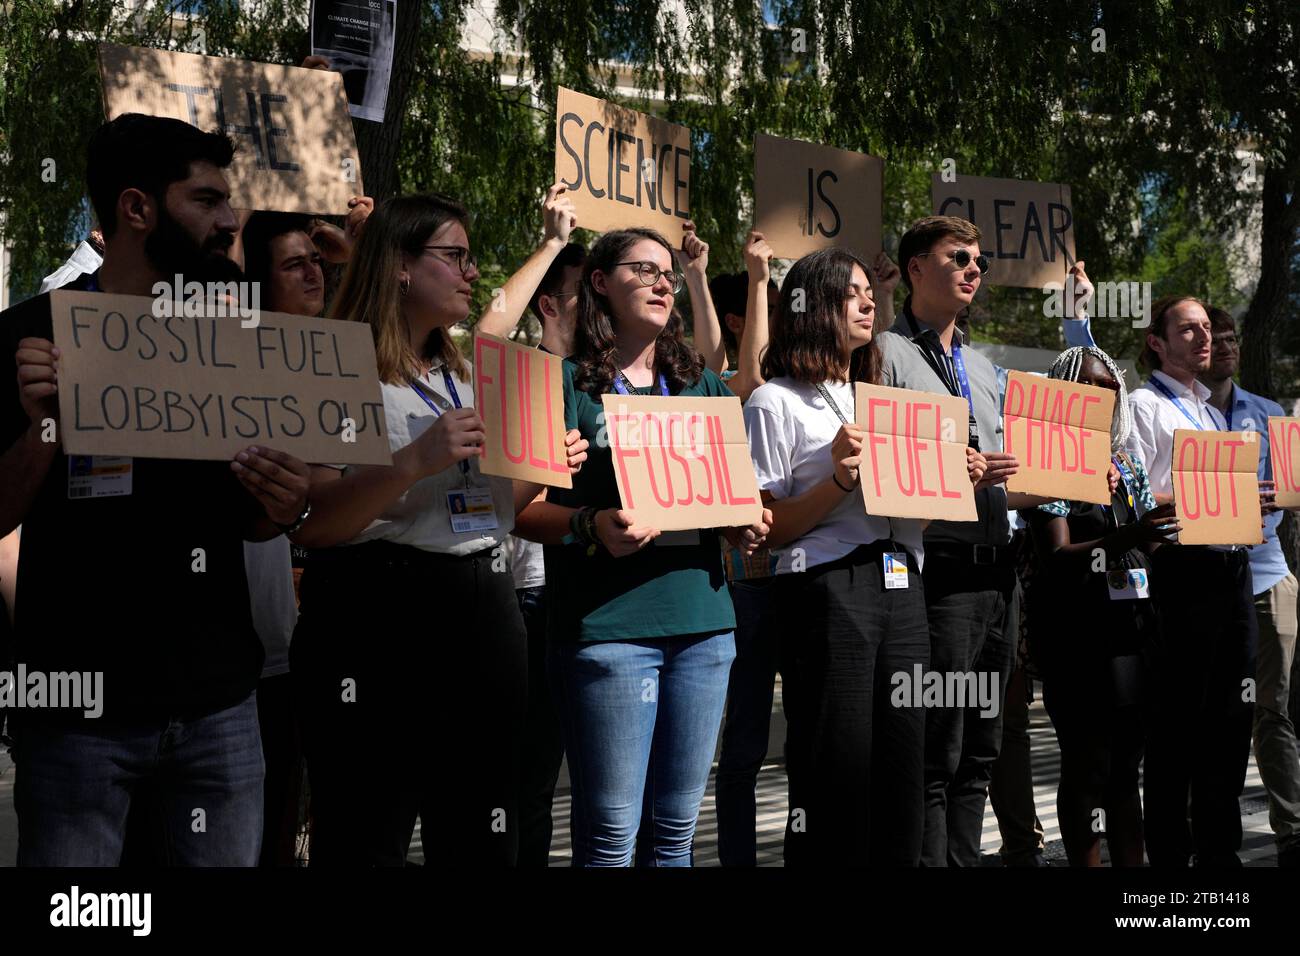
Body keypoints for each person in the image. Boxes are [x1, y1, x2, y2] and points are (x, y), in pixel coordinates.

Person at [1, 113, 313, 866]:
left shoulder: (233, 332)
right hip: (78, 716)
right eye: (206, 201)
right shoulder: (27, 334)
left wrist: (283, 505)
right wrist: (44, 427)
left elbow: (252, 519)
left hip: (219, 709)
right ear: (137, 208)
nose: (230, 220)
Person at [285, 193, 586, 867]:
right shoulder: (338, 364)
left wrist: (543, 471)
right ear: (398, 266)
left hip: (482, 607)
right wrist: (413, 460)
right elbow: (317, 519)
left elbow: (498, 510)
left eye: (471, 260)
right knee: (366, 830)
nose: (471, 273)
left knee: (481, 831)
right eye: (454, 258)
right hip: (373, 616)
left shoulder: (470, 373)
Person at [514, 227, 771, 867]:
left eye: (669, 274)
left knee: (676, 840)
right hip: (609, 632)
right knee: (610, 844)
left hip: (705, 628)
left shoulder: (701, 385)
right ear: (600, 282)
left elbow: (731, 497)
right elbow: (521, 512)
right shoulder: (564, 383)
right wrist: (588, 523)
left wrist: (744, 522)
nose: (663, 283)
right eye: (644, 270)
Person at [745, 247, 986, 865]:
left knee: (905, 769)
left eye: (868, 293)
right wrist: (836, 479)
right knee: (836, 770)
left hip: (902, 586)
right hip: (828, 589)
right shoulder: (775, 401)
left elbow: (911, 517)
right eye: (852, 293)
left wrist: (955, 480)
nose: (868, 301)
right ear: (813, 302)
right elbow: (766, 532)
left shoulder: (878, 397)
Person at [874, 215, 1035, 866]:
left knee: (982, 750)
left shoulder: (985, 367)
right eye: (959, 257)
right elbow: (883, 474)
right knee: (936, 750)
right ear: (916, 269)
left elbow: (1006, 485)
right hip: (938, 578)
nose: (975, 269)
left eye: (981, 262)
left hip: (1000, 579)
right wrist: (954, 472)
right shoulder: (885, 353)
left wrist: (1071, 481)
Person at [1023, 346, 1179, 865]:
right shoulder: (1047, 461)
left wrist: (1193, 523)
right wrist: (1131, 532)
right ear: (1062, 392)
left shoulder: (1127, 460)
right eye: (1085, 385)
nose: (1098, 395)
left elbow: (1149, 546)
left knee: (1125, 769)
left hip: (1133, 630)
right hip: (1078, 635)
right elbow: (1058, 557)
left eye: (1108, 386)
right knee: (1088, 766)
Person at [1124, 295, 1258, 867]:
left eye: (1207, 328)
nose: (1204, 338)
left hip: (1233, 574)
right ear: (1157, 341)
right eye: (1188, 329)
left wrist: (1249, 499)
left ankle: (1220, 857)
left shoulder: (1210, 409)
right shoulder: (1141, 405)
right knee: (1177, 732)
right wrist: (1202, 498)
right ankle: (1172, 867)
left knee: (1230, 729)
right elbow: (1128, 494)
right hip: (1183, 577)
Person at [1199, 306, 1300, 868]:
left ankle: (1292, 831)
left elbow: (1293, 493)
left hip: (1269, 575)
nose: (1230, 346)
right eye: (1221, 339)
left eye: (1235, 337)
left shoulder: (1267, 413)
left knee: (1274, 711)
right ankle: (1215, 832)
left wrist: (1276, 495)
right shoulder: (1180, 413)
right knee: (1217, 711)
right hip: (1207, 584)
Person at [505, 238, 585, 866]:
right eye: (591, 292)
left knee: (580, 768)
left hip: (582, 598)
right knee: (526, 775)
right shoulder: (519, 378)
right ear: (552, 306)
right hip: (527, 598)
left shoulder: (606, 381)